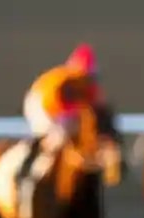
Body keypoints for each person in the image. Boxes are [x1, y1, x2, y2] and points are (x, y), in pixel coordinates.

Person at [16, 44, 104, 208]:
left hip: (64, 111)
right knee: (55, 137)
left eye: (89, 76)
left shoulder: (91, 88)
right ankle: (29, 169)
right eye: (84, 76)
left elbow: (93, 111)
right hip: (41, 105)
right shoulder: (61, 83)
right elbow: (52, 109)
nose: (86, 80)